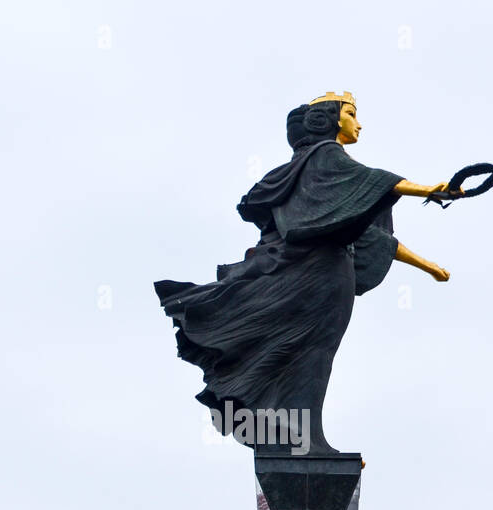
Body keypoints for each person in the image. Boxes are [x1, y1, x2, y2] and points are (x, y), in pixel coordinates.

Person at [154, 91, 459, 455]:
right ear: (327, 121)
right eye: (351, 114)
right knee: (313, 354)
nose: (358, 123)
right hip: (323, 275)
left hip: (327, 275)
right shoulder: (326, 156)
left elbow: (373, 237)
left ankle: (301, 435)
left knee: (309, 353)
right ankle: (306, 439)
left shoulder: (314, 177)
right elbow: (376, 181)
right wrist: (430, 189)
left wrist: (428, 266)